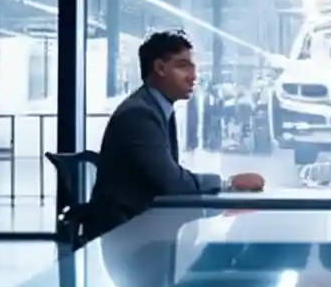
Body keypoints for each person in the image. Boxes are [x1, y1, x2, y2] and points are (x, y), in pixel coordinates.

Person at [92, 30, 265, 222]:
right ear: (160, 68)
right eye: (183, 66)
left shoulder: (157, 107)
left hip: (147, 221)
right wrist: (228, 183)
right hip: (124, 230)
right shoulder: (139, 115)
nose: (193, 76)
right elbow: (172, 182)